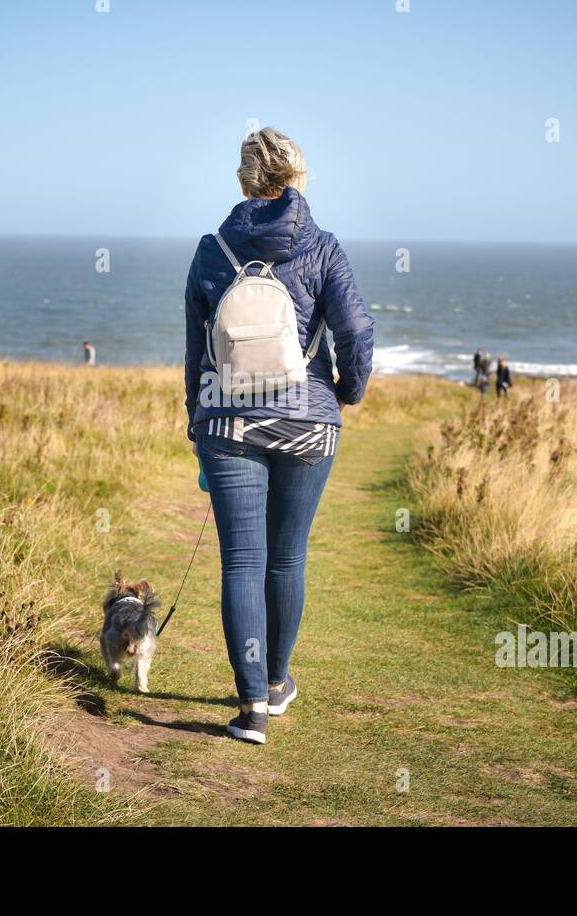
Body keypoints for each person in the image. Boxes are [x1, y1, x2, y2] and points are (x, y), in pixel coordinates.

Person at [184, 127, 374, 744]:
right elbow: (356, 333)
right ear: (297, 179)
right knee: (286, 556)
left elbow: (196, 354)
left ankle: (252, 711)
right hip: (309, 421)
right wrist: (345, 393)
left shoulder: (212, 250)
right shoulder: (324, 248)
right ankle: (276, 683)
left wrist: (198, 420)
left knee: (242, 559)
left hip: (229, 421)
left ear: (243, 182)